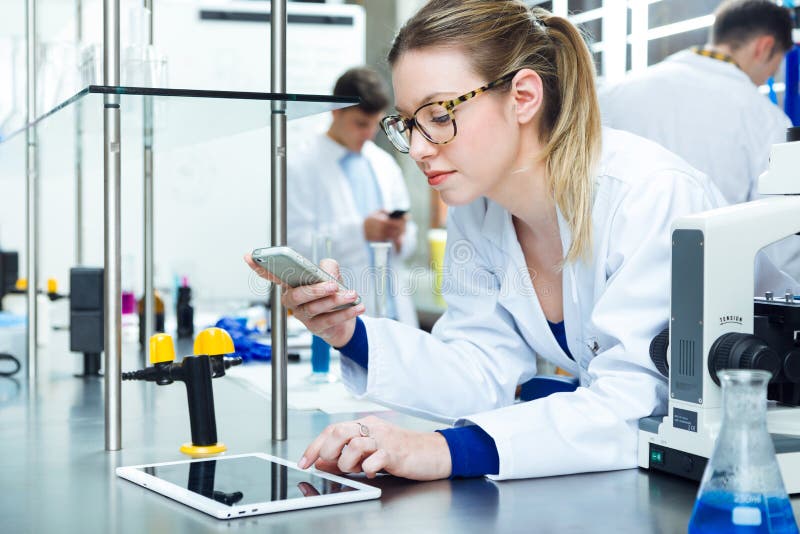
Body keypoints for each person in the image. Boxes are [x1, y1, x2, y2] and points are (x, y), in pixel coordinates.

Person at [245, 0, 792, 481]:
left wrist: (442, 450)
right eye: (408, 123)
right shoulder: (480, 210)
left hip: (756, 463)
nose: (417, 148)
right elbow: (482, 369)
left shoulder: (648, 194)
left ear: (524, 96)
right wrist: (350, 334)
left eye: (438, 115)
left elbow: (637, 404)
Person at [599, 0, 799, 277]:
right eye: (773, 68)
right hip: (708, 291)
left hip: (607, 279)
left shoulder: (614, 93)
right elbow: (780, 245)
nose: (767, 79)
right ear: (764, 47)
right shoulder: (765, 119)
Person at [287, 66, 418, 326]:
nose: (369, 134)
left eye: (374, 125)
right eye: (360, 124)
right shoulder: (300, 165)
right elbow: (296, 247)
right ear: (335, 111)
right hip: (340, 317)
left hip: (394, 313)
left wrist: (399, 234)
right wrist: (361, 232)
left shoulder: (384, 164)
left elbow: (410, 239)